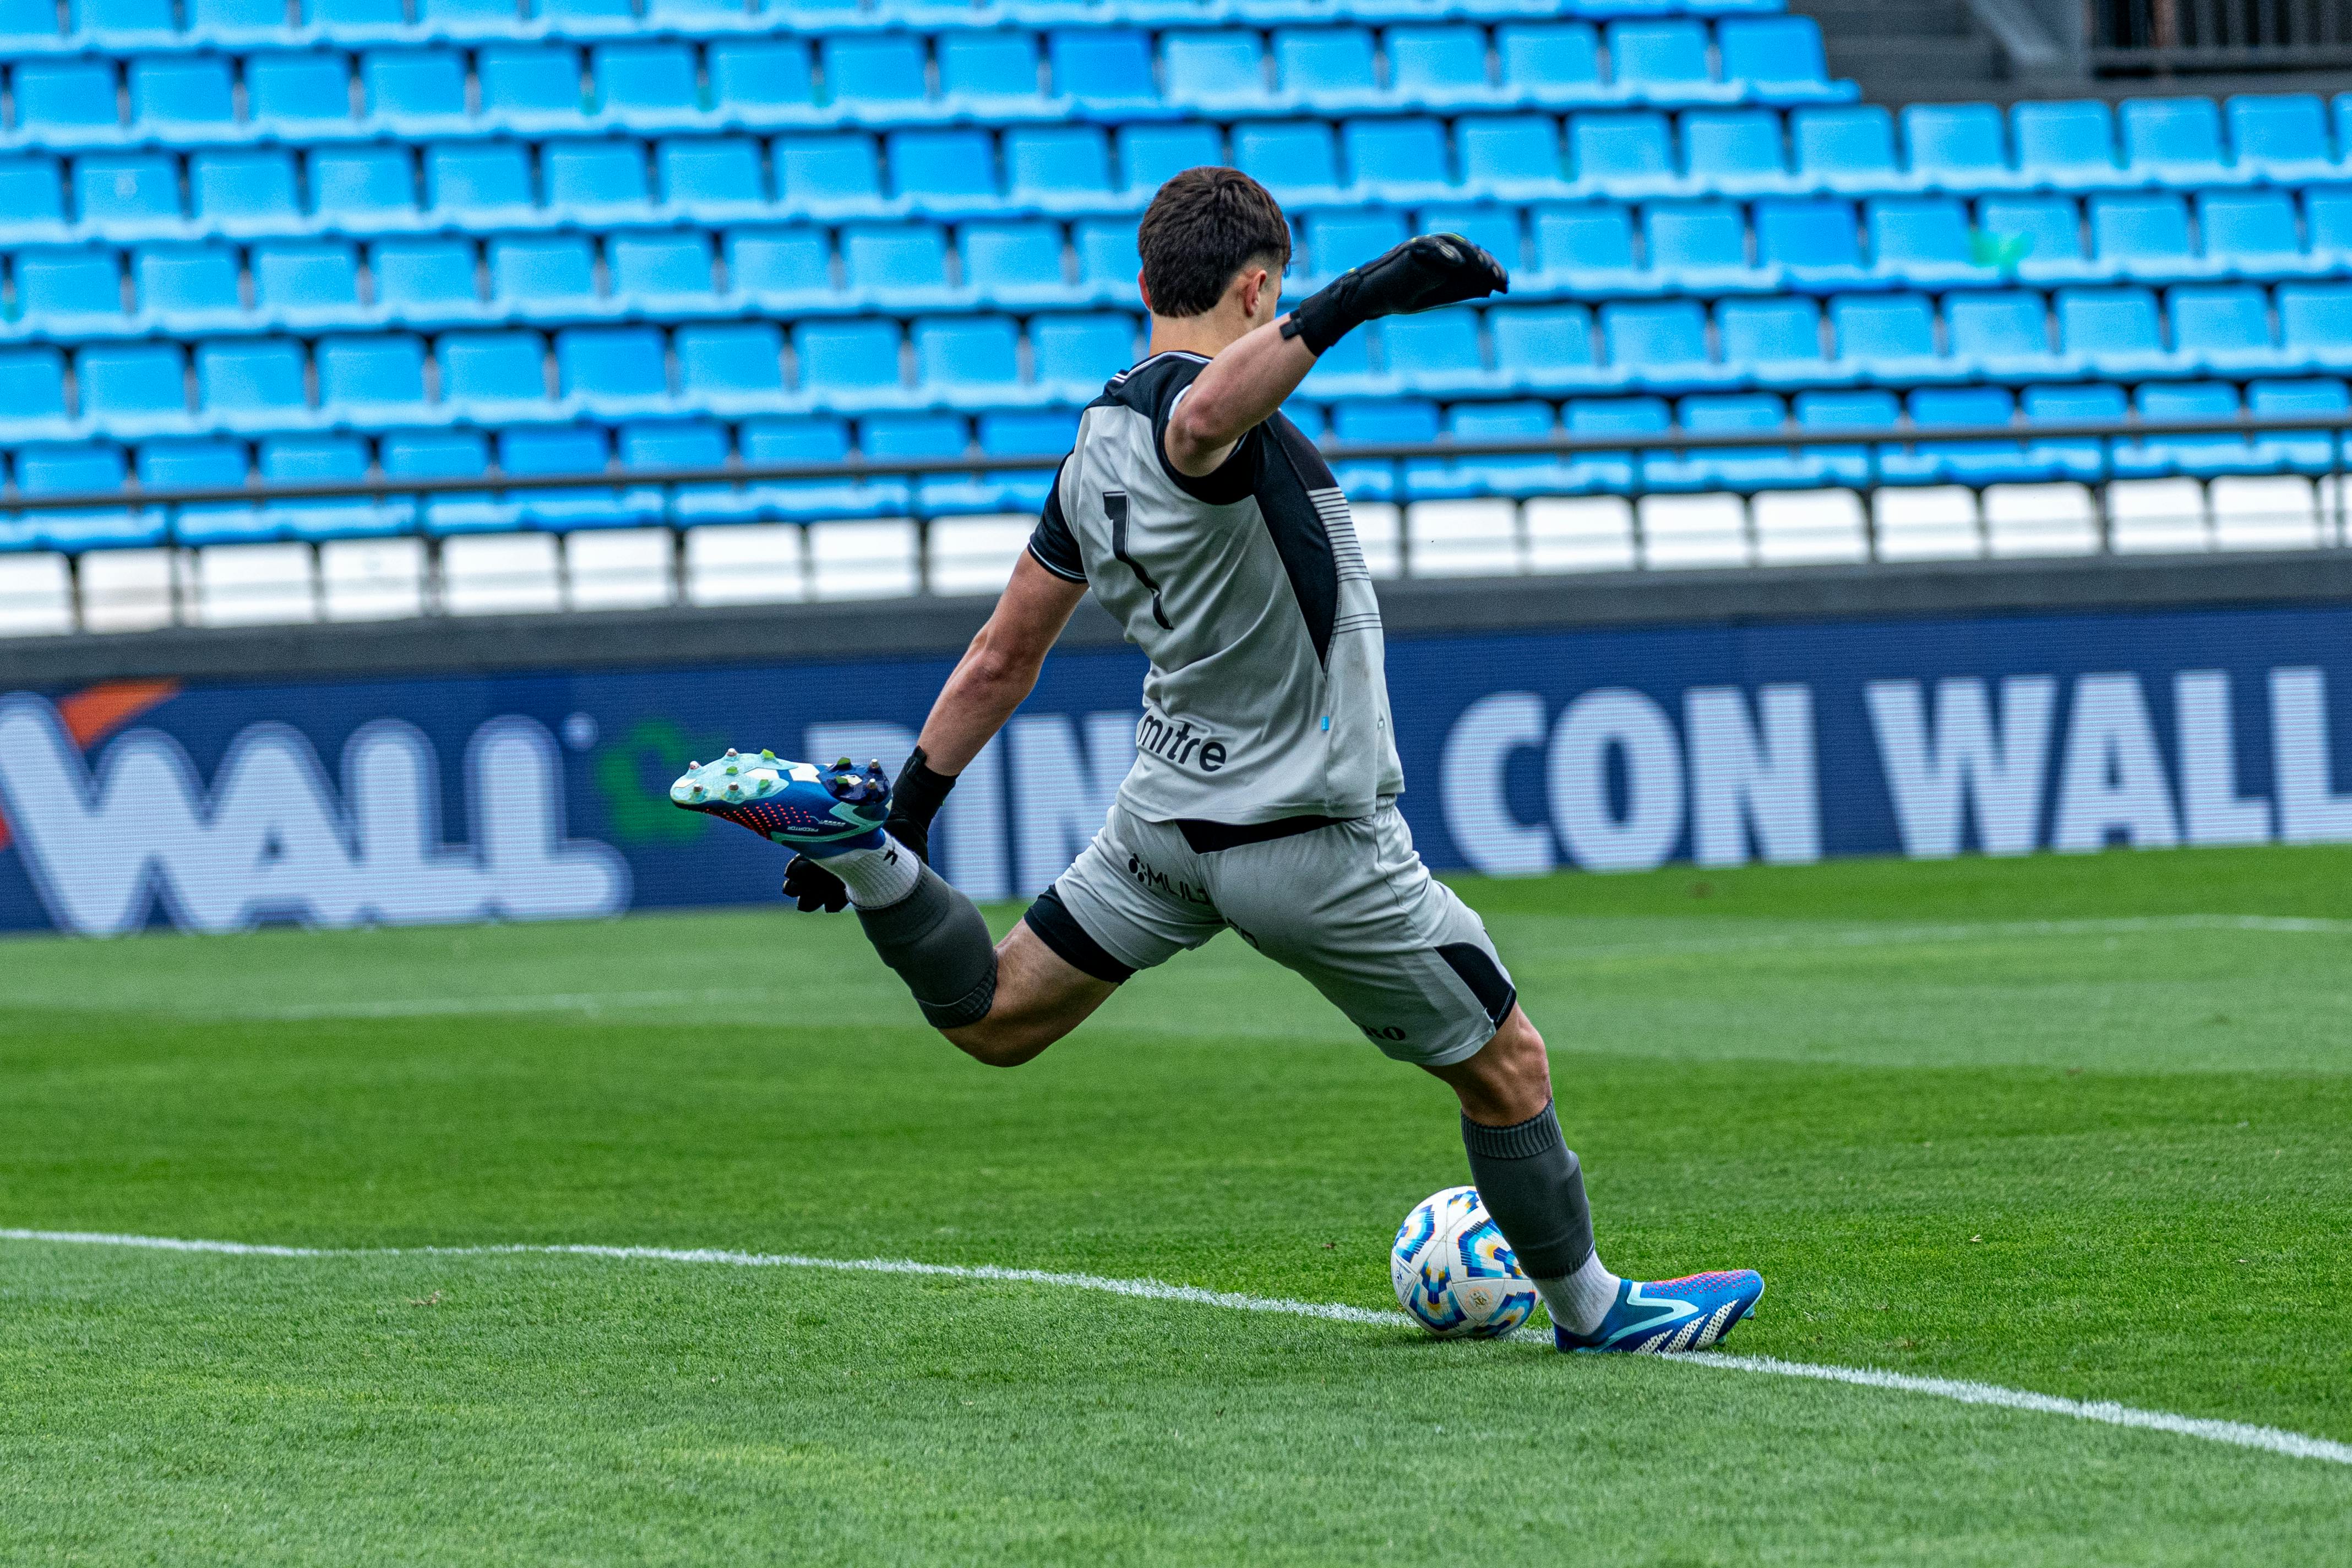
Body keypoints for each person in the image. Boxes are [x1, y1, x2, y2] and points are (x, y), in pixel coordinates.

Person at [672, 167, 1763, 1354]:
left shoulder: (1089, 451)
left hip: (1165, 831)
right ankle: (1597, 1311)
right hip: (1306, 839)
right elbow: (1202, 422)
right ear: (1257, 289)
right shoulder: (1203, 420)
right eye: (1279, 297)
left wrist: (914, 819)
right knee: (1508, 1063)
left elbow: (1001, 654)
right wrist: (1361, 299)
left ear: (1146, 283)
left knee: (992, 1014)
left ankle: (868, 858)